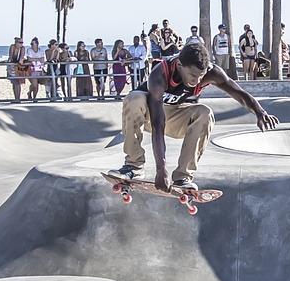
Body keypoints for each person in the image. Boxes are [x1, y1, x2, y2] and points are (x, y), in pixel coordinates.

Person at [110, 42, 279, 190]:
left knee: (205, 113)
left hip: (177, 115)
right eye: (192, 76)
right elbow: (158, 123)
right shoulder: (160, 74)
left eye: (200, 76)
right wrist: (161, 169)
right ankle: (134, 165)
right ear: (179, 65)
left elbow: (237, 92)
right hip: (150, 115)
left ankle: (183, 176)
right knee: (134, 98)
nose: (197, 81)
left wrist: (259, 111)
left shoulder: (212, 73)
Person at [7, 37, 26, 102]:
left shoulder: (22, 48)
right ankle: (16, 98)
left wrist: (21, 61)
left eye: (22, 43)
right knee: (14, 82)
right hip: (12, 65)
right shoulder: (12, 47)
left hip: (19, 65)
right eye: (20, 42)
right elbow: (11, 57)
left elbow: (22, 57)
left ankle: (18, 98)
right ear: (16, 43)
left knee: (18, 82)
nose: (21, 44)